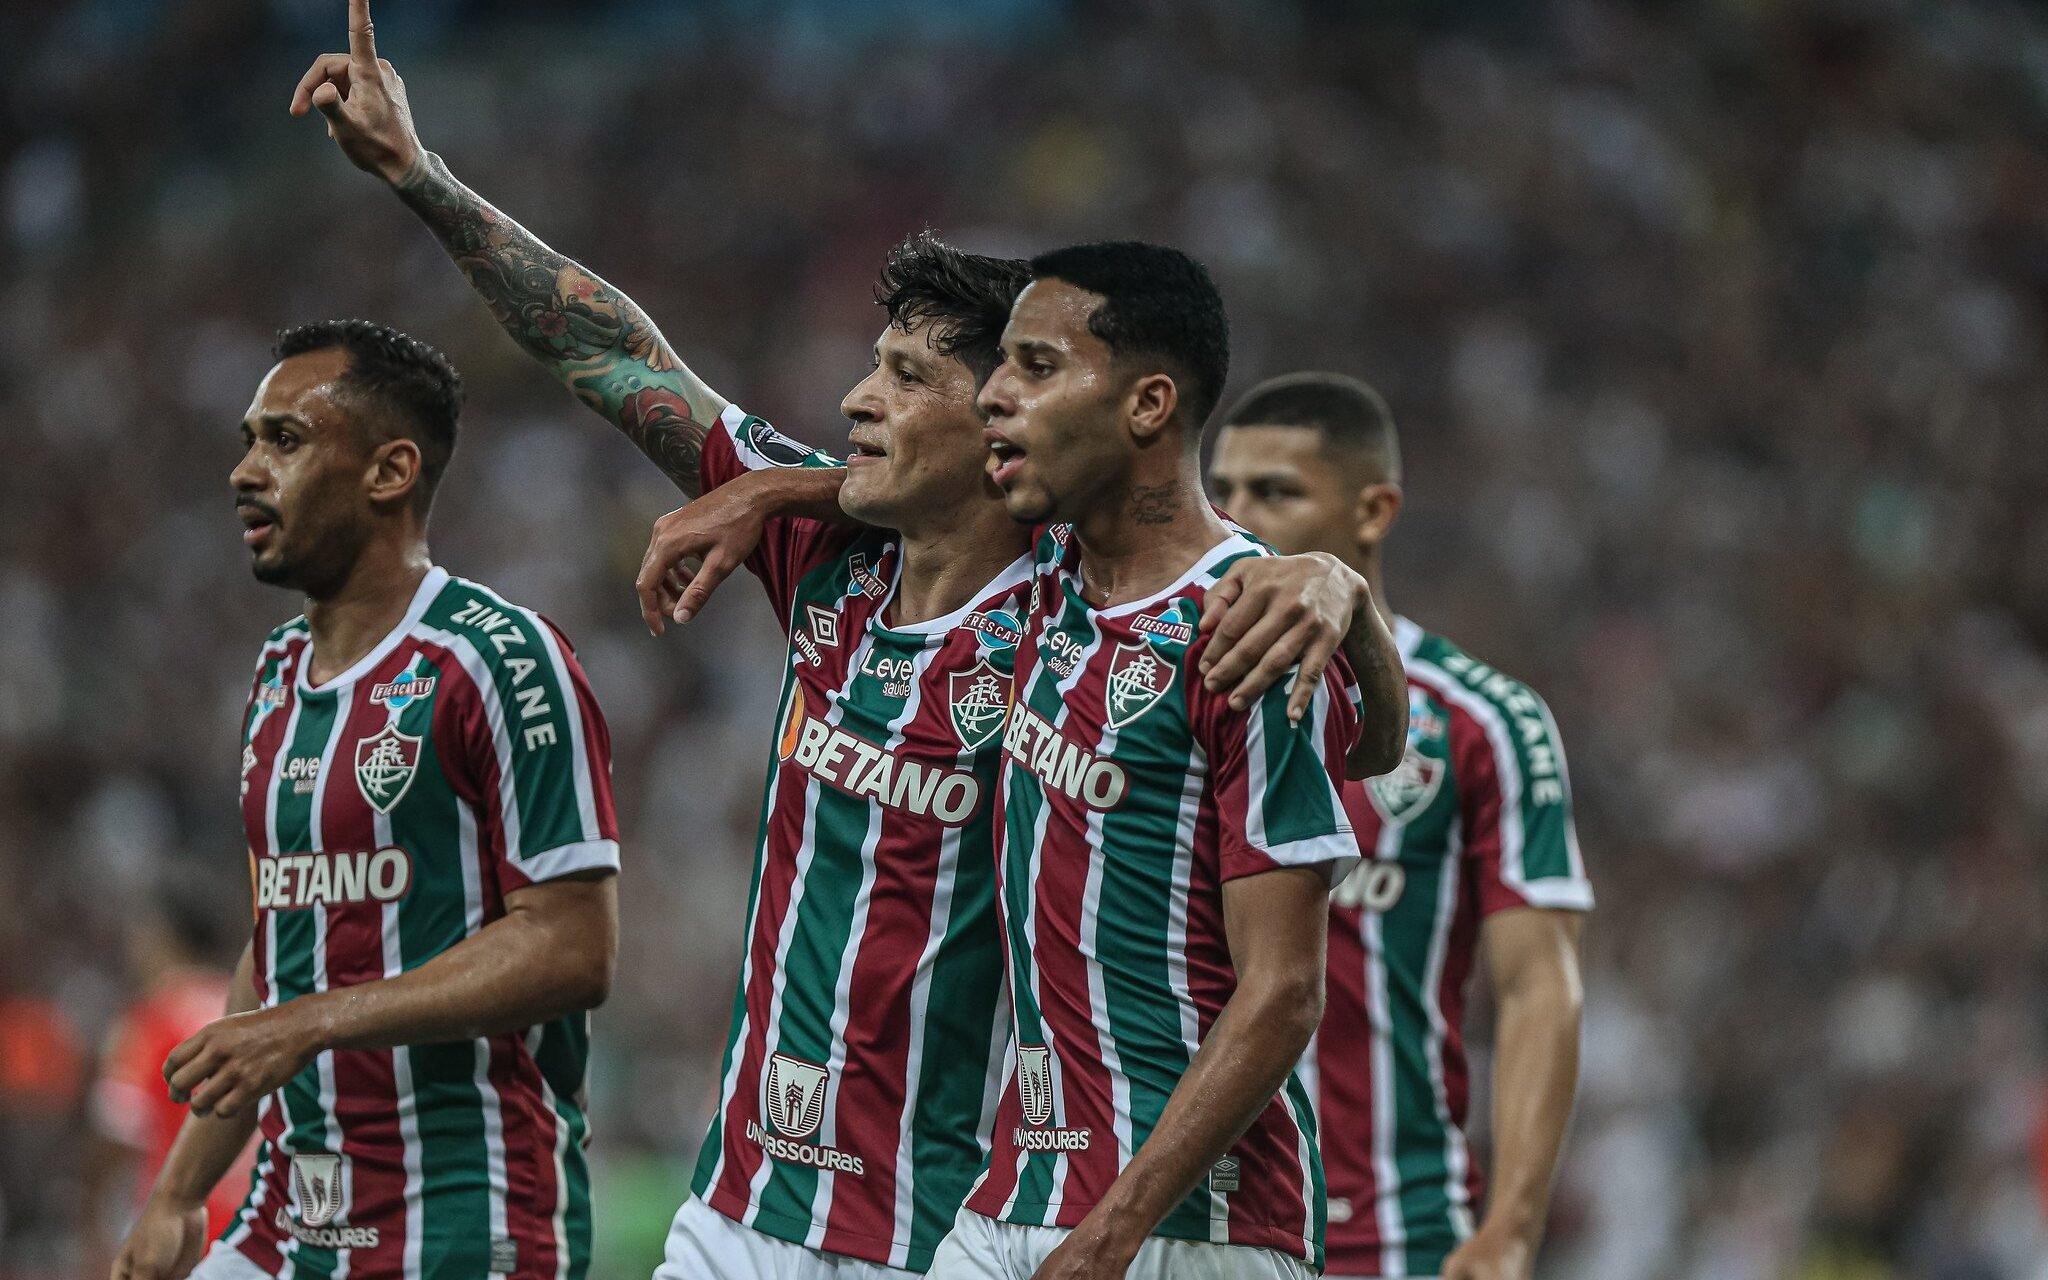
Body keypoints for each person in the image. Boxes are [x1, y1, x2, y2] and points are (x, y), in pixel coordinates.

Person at [292, 9, 1387, 1277]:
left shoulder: (1073, 606)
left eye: (909, 377)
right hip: (740, 1201)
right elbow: (609, 350)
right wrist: (419, 174)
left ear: (998, 423)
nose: (858, 398)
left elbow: (1179, 551)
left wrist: (1334, 584)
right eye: (874, 366)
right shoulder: (827, 562)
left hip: (941, 1222)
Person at [111, 320, 621, 1280]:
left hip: (464, 1217)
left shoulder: (500, 657)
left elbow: (572, 946)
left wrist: (314, 1021)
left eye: (285, 440)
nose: (245, 471)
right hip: (288, 1217)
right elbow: (281, 945)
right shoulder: (276, 673)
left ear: (390, 471)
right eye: (249, 441)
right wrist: (178, 1193)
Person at [1208, 373, 1592, 1280]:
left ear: (1374, 511)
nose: (1236, 521)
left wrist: (1510, 1230)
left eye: (1276, 493)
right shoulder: (1163, 689)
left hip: (1388, 1234)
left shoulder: (1480, 720)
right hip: (1185, 1218)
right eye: (1221, 492)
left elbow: (1537, 985)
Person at [83, 895, 256, 1268]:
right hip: (255, 1230)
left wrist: (93, 1235)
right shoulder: (247, 1011)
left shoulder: (153, 1019)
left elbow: (116, 1138)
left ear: (166, 937)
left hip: (179, 1236)